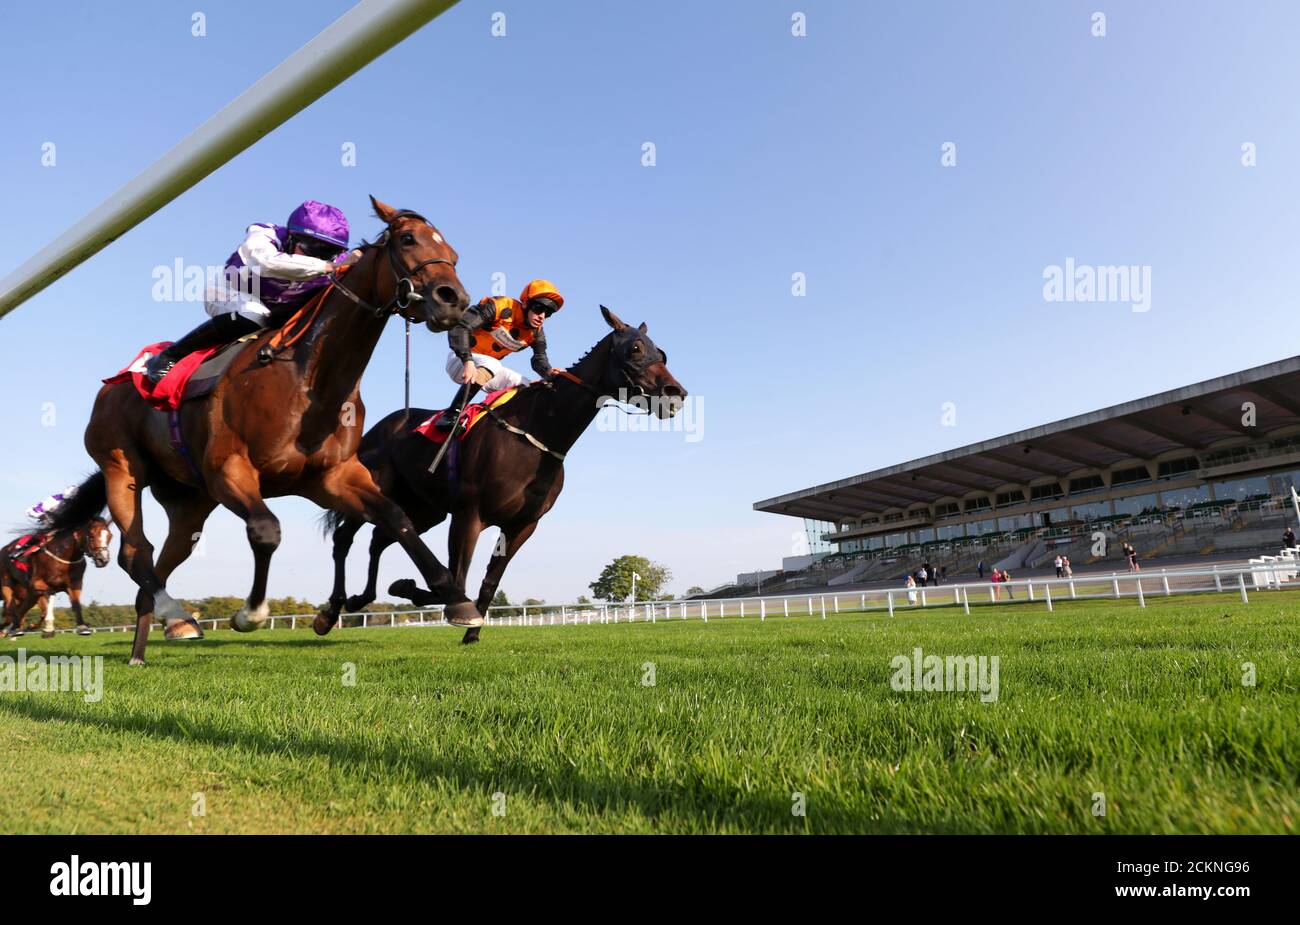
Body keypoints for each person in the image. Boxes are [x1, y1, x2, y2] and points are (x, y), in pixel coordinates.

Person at [145, 201, 353, 382]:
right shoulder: (264, 233)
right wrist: (326, 266)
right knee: (255, 314)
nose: (318, 258)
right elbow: (266, 263)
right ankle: (169, 356)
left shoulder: (338, 262)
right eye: (313, 250)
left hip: (276, 311)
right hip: (226, 292)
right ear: (291, 236)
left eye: (328, 252)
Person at [436, 279, 563, 431]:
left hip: (486, 372)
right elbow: (459, 327)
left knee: (529, 388)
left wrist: (548, 371)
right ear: (525, 303)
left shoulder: (536, 333)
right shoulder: (500, 306)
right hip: (460, 359)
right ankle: (451, 415)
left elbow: (539, 359)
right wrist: (467, 360)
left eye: (547, 313)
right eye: (538, 308)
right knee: (493, 364)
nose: (541, 316)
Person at [9, 485, 79, 559]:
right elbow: (32, 511)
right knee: (42, 534)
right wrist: (43, 516)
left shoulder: (78, 503)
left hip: (66, 525)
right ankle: (20, 550)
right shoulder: (55, 499)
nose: (68, 502)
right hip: (50, 522)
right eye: (67, 500)